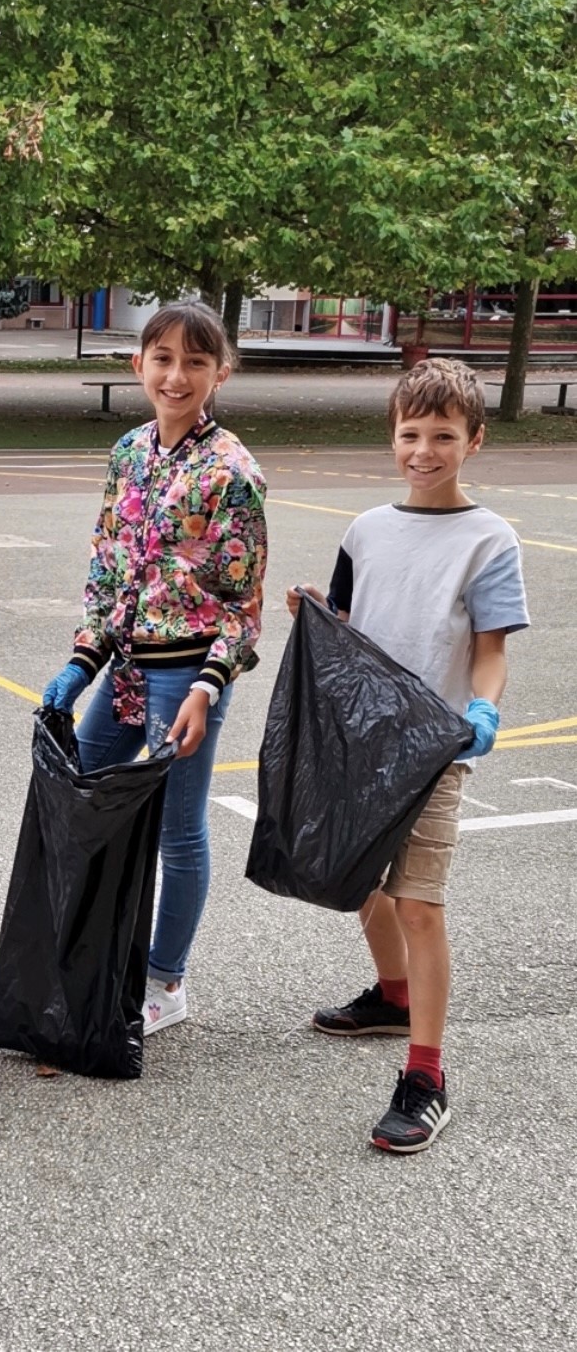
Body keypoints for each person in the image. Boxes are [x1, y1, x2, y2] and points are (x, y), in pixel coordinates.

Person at [289, 357, 529, 1152]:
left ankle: (426, 1077)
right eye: (411, 434)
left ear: (475, 441)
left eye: (444, 436)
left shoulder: (489, 540)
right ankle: (393, 999)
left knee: (418, 903)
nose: (424, 451)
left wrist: (484, 707)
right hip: (363, 742)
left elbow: (490, 649)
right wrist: (314, 612)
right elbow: (349, 626)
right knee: (361, 882)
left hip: (433, 747)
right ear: (392, 436)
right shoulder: (365, 530)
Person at [42, 301, 268, 1036]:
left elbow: (241, 607)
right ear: (139, 365)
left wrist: (207, 687)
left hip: (186, 676)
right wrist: (83, 662)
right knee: (83, 800)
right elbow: (108, 570)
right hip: (125, 670)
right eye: (163, 359)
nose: (176, 376)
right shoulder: (129, 452)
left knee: (178, 829)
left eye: (195, 362)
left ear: (221, 374)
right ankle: (90, 947)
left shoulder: (232, 471)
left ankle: (166, 980)